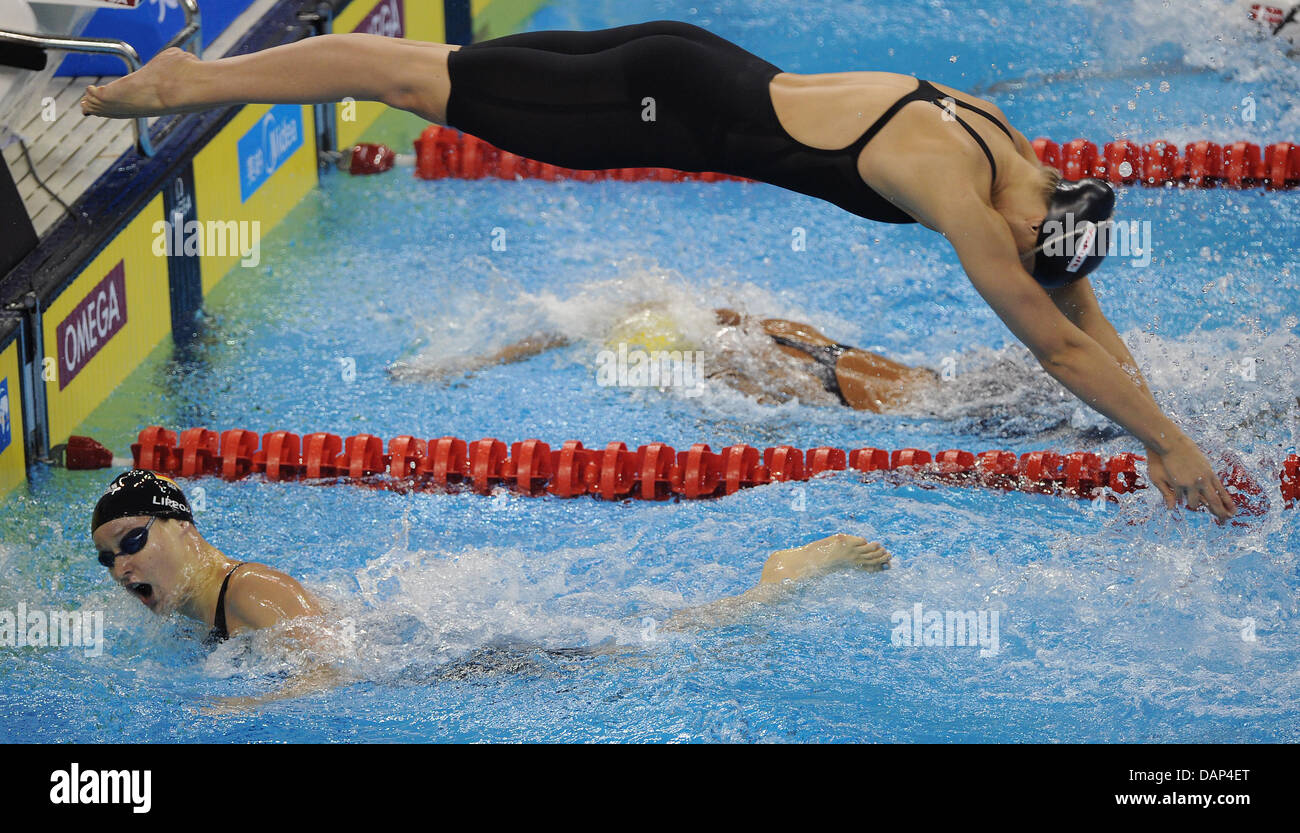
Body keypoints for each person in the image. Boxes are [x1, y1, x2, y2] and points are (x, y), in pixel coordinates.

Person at [79, 20, 1236, 520]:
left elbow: (1072, 308)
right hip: (653, 108)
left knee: (417, 63)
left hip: (687, 60)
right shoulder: (954, 196)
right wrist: (1168, 445)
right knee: (400, 82)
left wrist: (1150, 416)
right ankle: (188, 82)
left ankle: (197, 76)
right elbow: (1056, 337)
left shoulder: (1001, 145)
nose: (1027, 269)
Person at [91, 469, 892, 710]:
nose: (125, 567)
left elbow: (326, 666)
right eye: (109, 560)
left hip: (455, 659)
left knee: (658, 649)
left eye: (134, 541)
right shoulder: (202, 612)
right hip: (426, 656)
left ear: (184, 530)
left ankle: (777, 579)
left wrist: (240, 710)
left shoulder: (248, 589)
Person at [394, 304, 939, 412]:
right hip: (832, 355)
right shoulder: (744, 323)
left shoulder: (716, 371)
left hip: (854, 398)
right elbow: (561, 330)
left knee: (934, 405)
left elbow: (771, 426)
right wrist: (484, 358)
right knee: (936, 386)